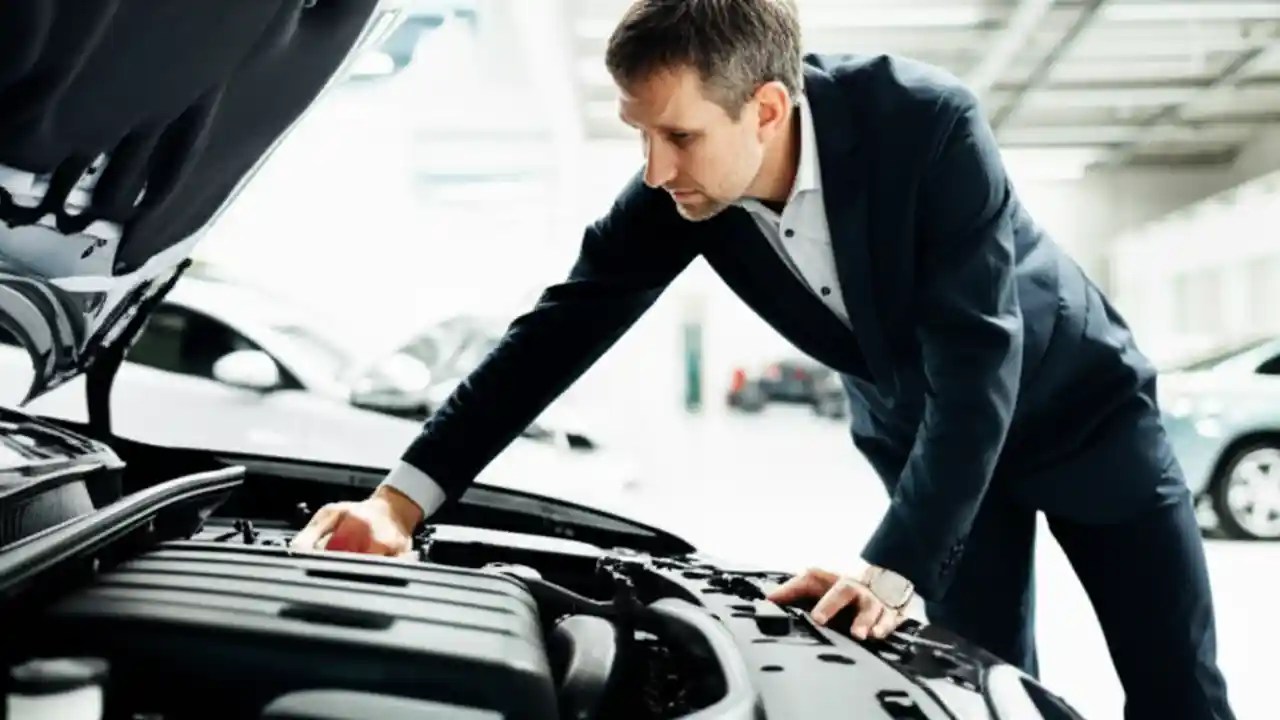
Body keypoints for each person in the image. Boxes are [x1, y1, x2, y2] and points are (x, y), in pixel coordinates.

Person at [292, 1, 1235, 717]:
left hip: (1085, 416)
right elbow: (559, 330)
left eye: (679, 136)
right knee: (984, 686)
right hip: (930, 451)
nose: (657, 171)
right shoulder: (683, 191)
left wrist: (885, 570)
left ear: (769, 107)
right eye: (641, 136)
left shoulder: (927, 127)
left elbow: (978, 361)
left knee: (1175, 686)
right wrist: (398, 500)